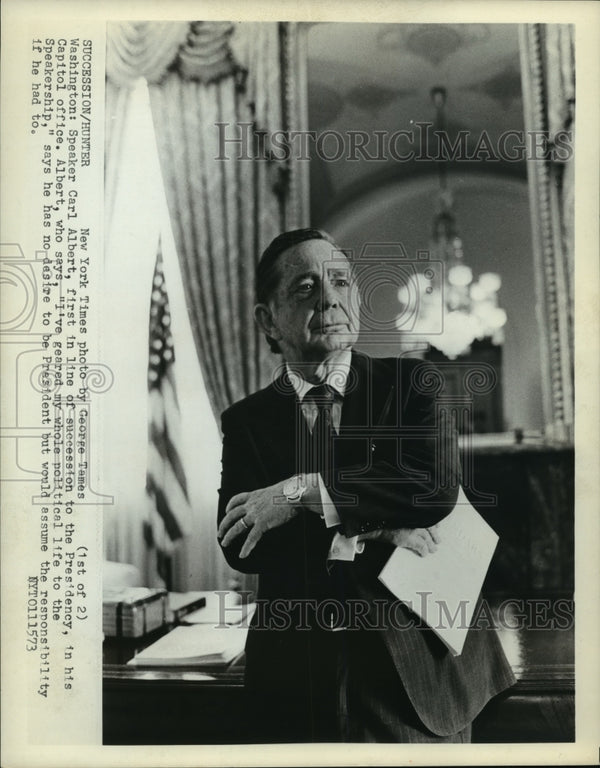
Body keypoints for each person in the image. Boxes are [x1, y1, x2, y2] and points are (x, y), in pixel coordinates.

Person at [217, 228, 515, 743]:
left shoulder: (411, 384)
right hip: (296, 685)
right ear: (268, 319)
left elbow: (430, 491)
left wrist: (300, 494)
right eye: (306, 286)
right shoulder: (246, 421)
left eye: (340, 282)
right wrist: (381, 529)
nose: (330, 297)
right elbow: (242, 547)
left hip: (416, 680)